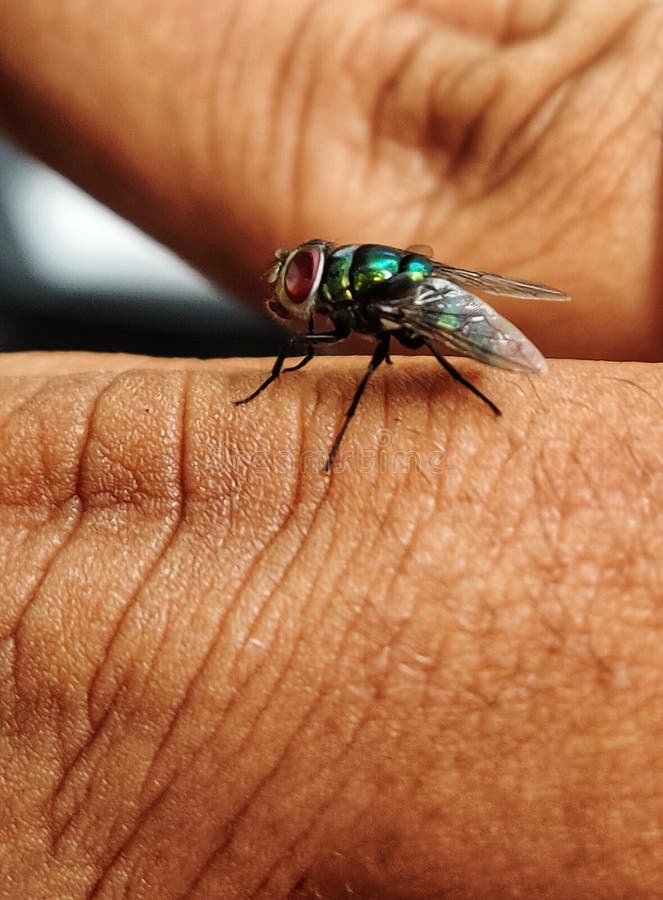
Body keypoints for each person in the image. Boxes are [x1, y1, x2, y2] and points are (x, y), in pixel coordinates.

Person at [0, 1, 661, 896]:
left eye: (302, 273)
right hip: (417, 288)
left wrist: (428, 387)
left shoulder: (366, 299)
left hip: (421, 309)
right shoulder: (354, 280)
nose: (292, 280)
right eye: (299, 270)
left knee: (389, 352)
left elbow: (417, 314)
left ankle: (462, 384)